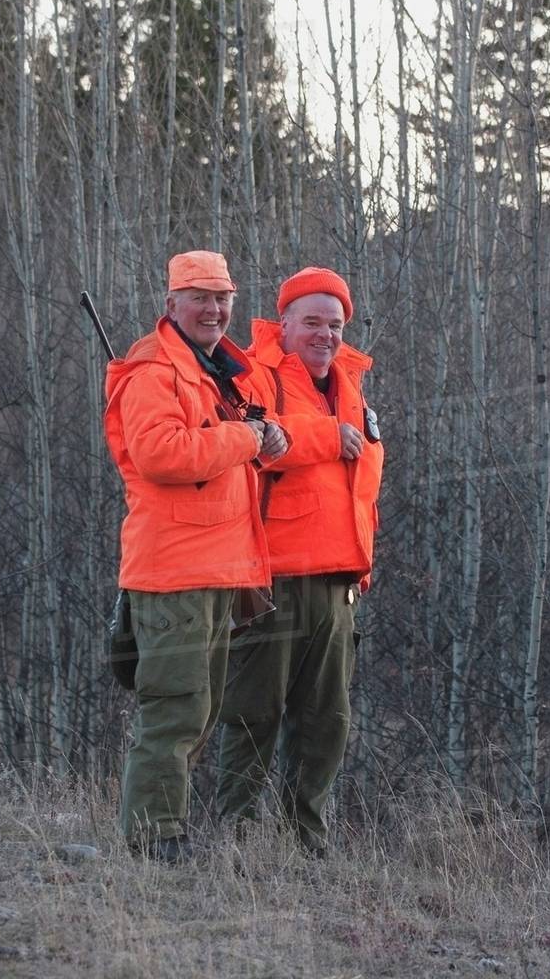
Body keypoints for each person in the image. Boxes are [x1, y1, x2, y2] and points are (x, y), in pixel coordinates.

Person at [103, 250, 287, 863]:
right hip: (174, 570)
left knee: (198, 712)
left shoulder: (210, 371)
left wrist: (265, 443)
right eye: (200, 297)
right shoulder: (155, 371)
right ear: (171, 305)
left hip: (214, 568)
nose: (214, 308)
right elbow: (162, 454)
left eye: (222, 297)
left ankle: (165, 830)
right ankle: (153, 841)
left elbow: (223, 451)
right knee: (175, 711)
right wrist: (245, 438)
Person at [217, 266, 384, 855]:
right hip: (273, 577)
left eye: (334, 323)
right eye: (311, 321)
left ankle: (305, 844)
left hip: (339, 584)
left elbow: (360, 489)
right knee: (252, 714)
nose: (324, 333)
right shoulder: (254, 374)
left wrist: (361, 567)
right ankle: (226, 839)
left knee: (325, 725)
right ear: (283, 322)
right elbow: (251, 440)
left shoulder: (351, 386)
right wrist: (326, 437)